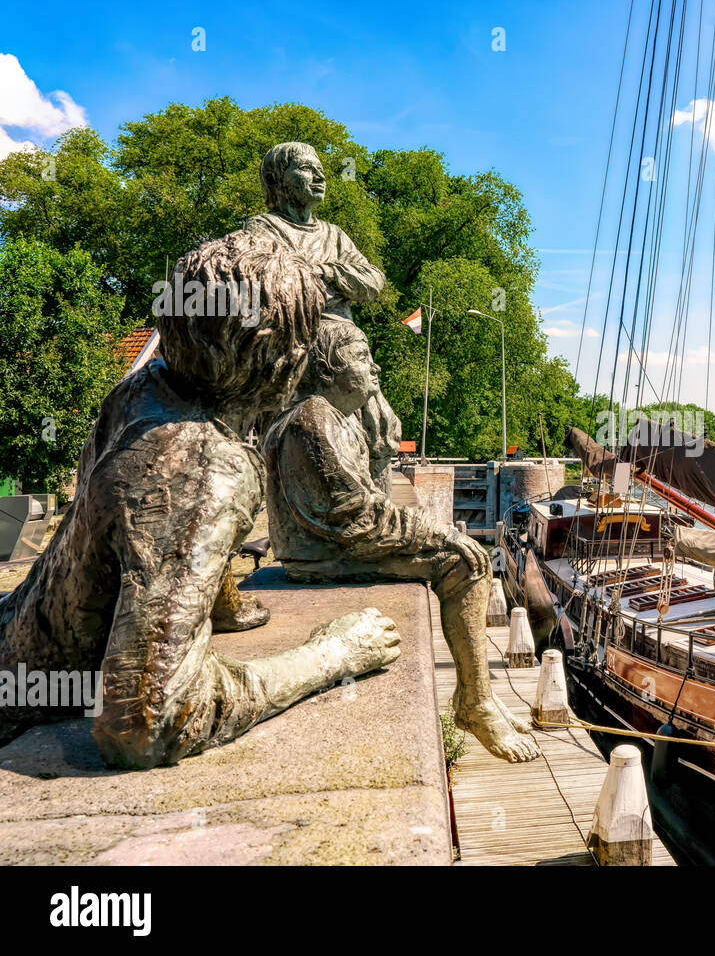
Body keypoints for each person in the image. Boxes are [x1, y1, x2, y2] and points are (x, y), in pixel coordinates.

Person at [0, 231, 400, 769]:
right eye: (306, 335)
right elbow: (144, 722)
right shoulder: (207, 469)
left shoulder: (149, 387)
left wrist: (224, 603)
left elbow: (141, 543)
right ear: (275, 352)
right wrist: (334, 655)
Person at [261, 320, 540, 763]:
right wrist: (436, 531)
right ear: (328, 368)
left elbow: (366, 497)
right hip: (321, 556)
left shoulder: (336, 417)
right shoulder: (312, 424)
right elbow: (357, 516)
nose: (374, 368)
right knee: (464, 563)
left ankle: (479, 695)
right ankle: (475, 702)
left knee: (463, 556)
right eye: (360, 358)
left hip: (327, 545)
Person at [246, 141, 400, 486]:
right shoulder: (262, 228)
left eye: (321, 169)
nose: (319, 176)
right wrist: (339, 282)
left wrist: (326, 273)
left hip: (346, 350)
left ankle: (370, 513)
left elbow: (374, 282)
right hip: (297, 350)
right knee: (304, 441)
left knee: (381, 430)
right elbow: (277, 284)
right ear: (276, 179)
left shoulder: (334, 234)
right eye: (305, 168)